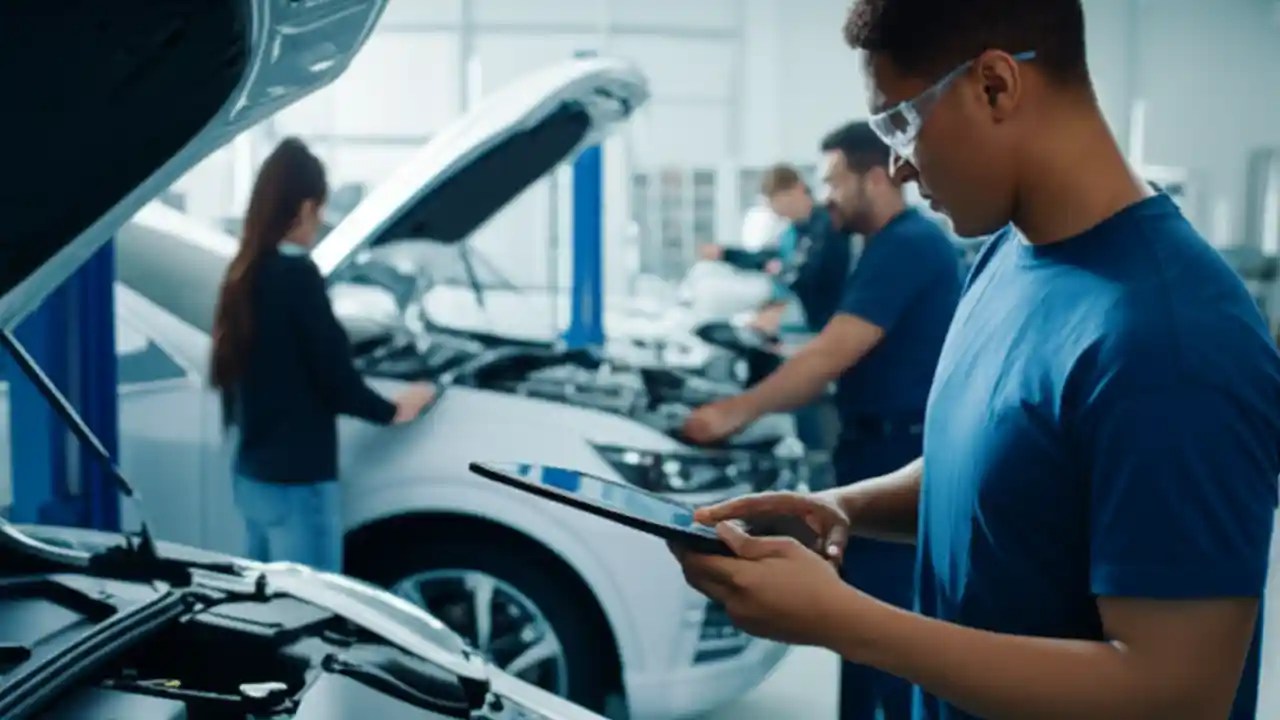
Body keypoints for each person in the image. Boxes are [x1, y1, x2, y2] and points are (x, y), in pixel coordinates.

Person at [671, 2, 1280, 720]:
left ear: (994, 85)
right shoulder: (1008, 256)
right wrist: (841, 507)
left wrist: (843, 621)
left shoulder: (1174, 340)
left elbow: (1175, 696)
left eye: (901, 123)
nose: (897, 165)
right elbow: (1009, 463)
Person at [683, 121, 962, 720]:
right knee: (861, 634)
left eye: (834, 181)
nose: (826, 196)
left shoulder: (908, 245)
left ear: (873, 177)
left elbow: (828, 358)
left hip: (898, 458)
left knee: (880, 634)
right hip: (873, 447)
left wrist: (728, 415)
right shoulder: (883, 245)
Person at [210, 138, 435, 573]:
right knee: (309, 603)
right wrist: (396, 409)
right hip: (298, 484)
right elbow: (336, 381)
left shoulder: (243, 274)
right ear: (306, 207)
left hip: (253, 478)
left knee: (264, 600)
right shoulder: (297, 276)